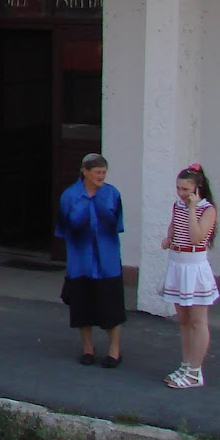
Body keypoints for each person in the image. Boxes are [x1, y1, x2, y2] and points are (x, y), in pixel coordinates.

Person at [55, 152, 125, 367]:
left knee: (111, 308)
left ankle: (114, 349)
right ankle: (87, 347)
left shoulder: (112, 194)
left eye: (104, 172)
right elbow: (64, 228)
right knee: (82, 306)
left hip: (108, 262)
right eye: (97, 172)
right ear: (85, 171)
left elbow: (117, 224)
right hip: (81, 262)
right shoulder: (70, 196)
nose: (101, 176)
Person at [160, 163, 220, 389]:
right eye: (179, 188)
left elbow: (197, 238)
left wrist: (193, 209)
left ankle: (196, 371)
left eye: (186, 189)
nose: (181, 193)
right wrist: (168, 239)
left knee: (198, 320)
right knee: (184, 320)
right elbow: (174, 227)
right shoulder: (177, 205)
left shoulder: (207, 209)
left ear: (197, 189)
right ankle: (186, 365)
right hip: (177, 262)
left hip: (194, 266)